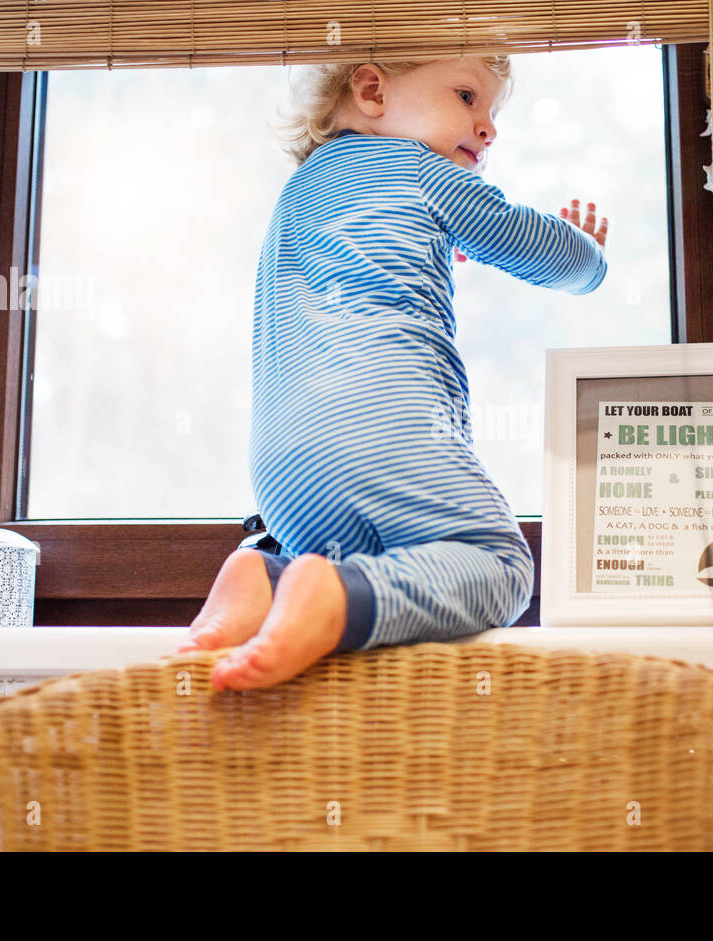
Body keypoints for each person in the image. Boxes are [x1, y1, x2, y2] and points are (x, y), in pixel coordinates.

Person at [177, 55, 610, 691]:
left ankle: (265, 575)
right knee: (496, 564)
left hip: (284, 472)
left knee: (362, 561)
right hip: (387, 433)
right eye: (467, 97)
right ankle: (327, 596)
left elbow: (368, 273)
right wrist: (588, 252)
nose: (488, 128)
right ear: (373, 90)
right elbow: (546, 254)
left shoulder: (299, 194)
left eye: (491, 112)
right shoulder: (423, 171)